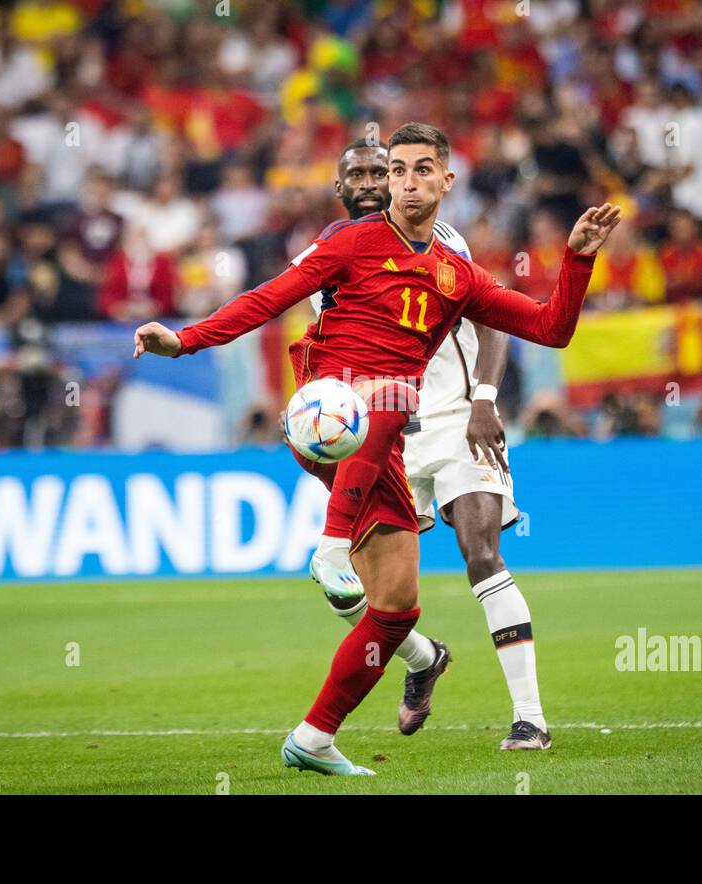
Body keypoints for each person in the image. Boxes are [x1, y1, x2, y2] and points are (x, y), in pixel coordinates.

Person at [134, 122, 620, 776]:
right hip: (323, 413)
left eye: (422, 170)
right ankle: (331, 549)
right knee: (391, 395)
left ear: (447, 181)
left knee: (394, 607)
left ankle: (314, 737)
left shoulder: (456, 273)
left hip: (383, 447)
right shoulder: (350, 242)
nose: (406, 182)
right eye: (397, 170)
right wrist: (185, 339)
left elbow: (550, 328)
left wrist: (578, 259)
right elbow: (268, 298)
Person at [306, 137, 550, 750]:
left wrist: (487, 400)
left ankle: (530, 719)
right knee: (354, 592)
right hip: (377, 436)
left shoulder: (444, 245)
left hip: (452, 418)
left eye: (379, 171)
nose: (371, 182)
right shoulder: (326, 258)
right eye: (360, 173)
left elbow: (495, 317)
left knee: (482, 553)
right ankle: (423, 659)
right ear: (340, 189)